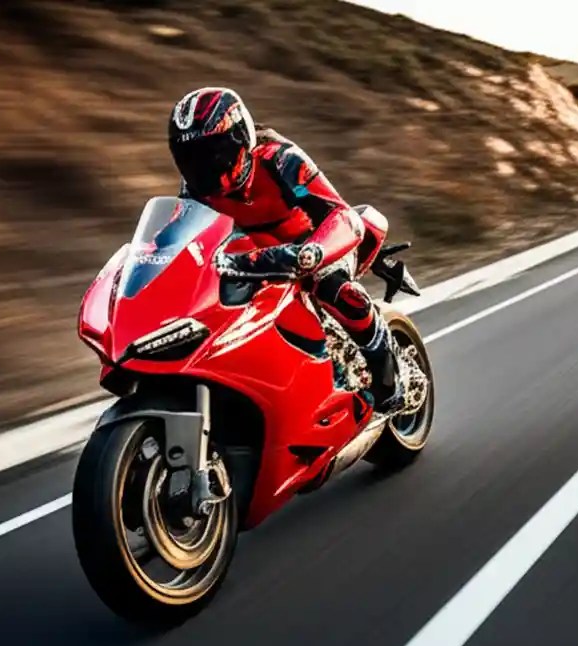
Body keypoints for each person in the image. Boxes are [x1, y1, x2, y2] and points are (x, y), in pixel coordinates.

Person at [166, 87, 403, 412]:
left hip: (317, 245)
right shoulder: (195, 190)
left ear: (240, 139)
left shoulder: (280, 160)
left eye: (213, 153)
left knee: (332, 286)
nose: (203, 167)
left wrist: (314, 253)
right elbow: (180, 236)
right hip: (259, 259)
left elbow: (342, 215)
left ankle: (387, 374)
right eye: (191, 158)